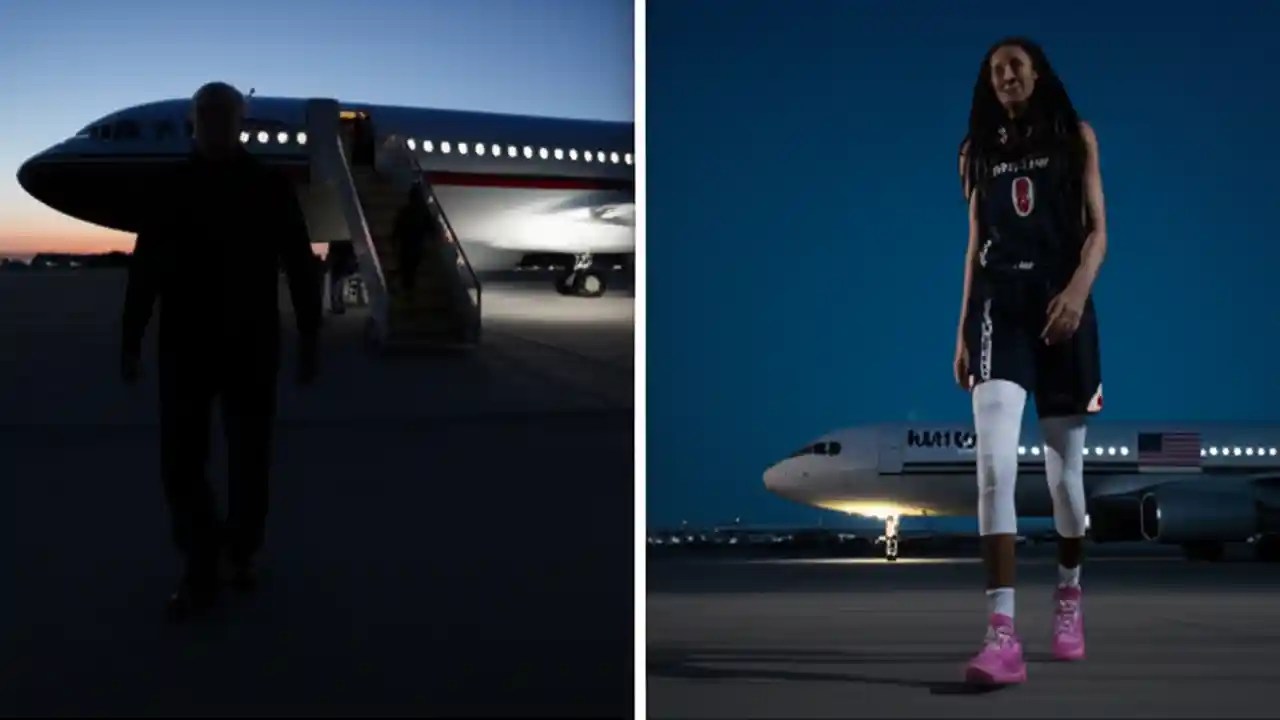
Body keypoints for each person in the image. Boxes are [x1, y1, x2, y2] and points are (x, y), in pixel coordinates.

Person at [120, 81, 322, 621]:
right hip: (185, 347)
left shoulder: (268, 186)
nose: (213, 125)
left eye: (222, 116)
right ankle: (201, 564)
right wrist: (130, 340)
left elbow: (301, 267)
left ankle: (239, 554)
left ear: (239, 124)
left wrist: (310, 338)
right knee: (182, 464)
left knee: (249, 461)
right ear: (194, 123)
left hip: (251, 346)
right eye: (205, 116)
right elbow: (145, 271)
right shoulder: (171, 187)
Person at [953, 37, 1108, 685]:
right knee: (993, 466)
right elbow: (974, 244)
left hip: (1063, 308)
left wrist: (1076, 292)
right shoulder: (976, 153)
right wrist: (963, 328)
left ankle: (1068, 596)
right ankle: (1002, 636)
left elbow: (1099, 231)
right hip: (999, 307)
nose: (1005, 75)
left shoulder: (1077, 137)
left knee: (1065, 482)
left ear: (1038, 72)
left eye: (1015, 64)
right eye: (994, 70)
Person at [392, 182, 434, 296]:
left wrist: (393, 240)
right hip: (417, 246)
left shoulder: (405, 211)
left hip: (406, 245)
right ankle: (407, 289)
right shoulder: (423, 213)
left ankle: (404, 287)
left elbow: (397, 228)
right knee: (410, 269)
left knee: (406, 268)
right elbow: (431, 228)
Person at [326, 241, 359, 314]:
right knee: (339, 280)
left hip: (338, 248)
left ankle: (337, 305)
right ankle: (338, 305)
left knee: (336, 280)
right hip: (346, 248)